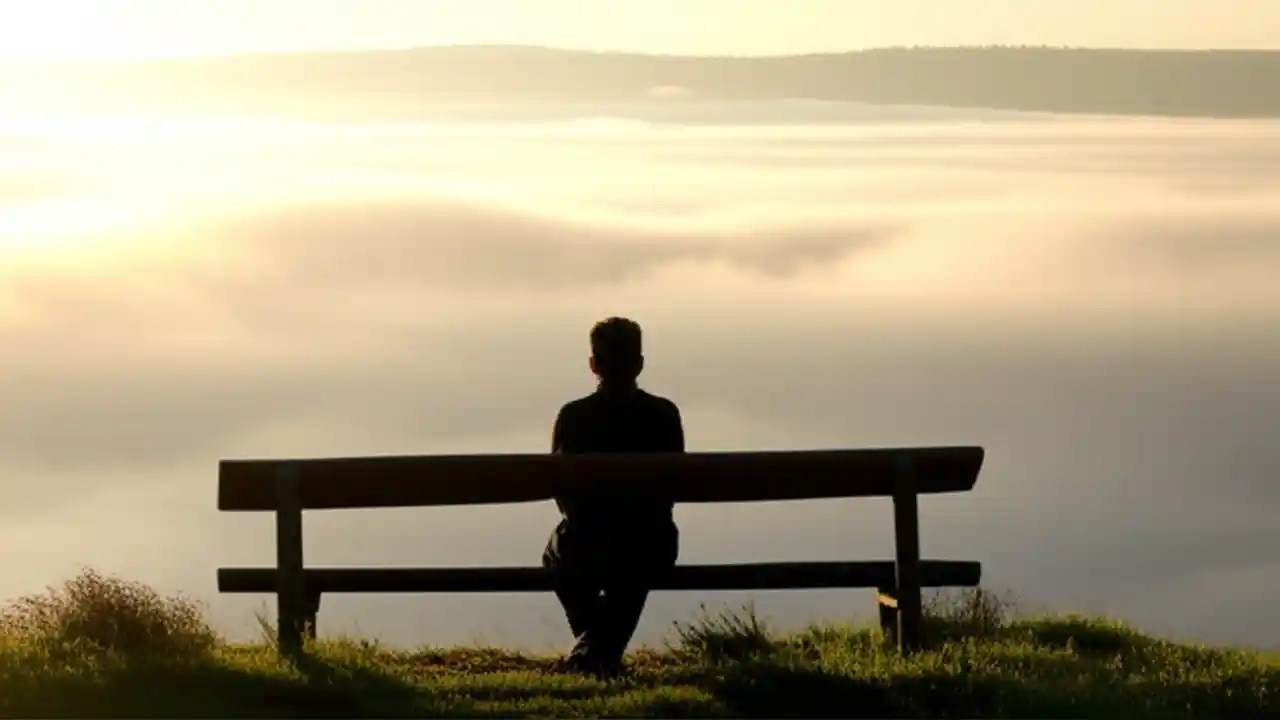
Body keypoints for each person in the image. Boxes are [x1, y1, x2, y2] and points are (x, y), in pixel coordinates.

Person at [542, 317, 684, 677]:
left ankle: (591, 652)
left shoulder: (573, 417)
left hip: (588, 544)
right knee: (635, 561)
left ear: (594, 364)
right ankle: (598, 654)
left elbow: (562, 491)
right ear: (639, 363)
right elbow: (675, 486)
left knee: (559, 552)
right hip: (650, 542)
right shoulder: (663, 415)